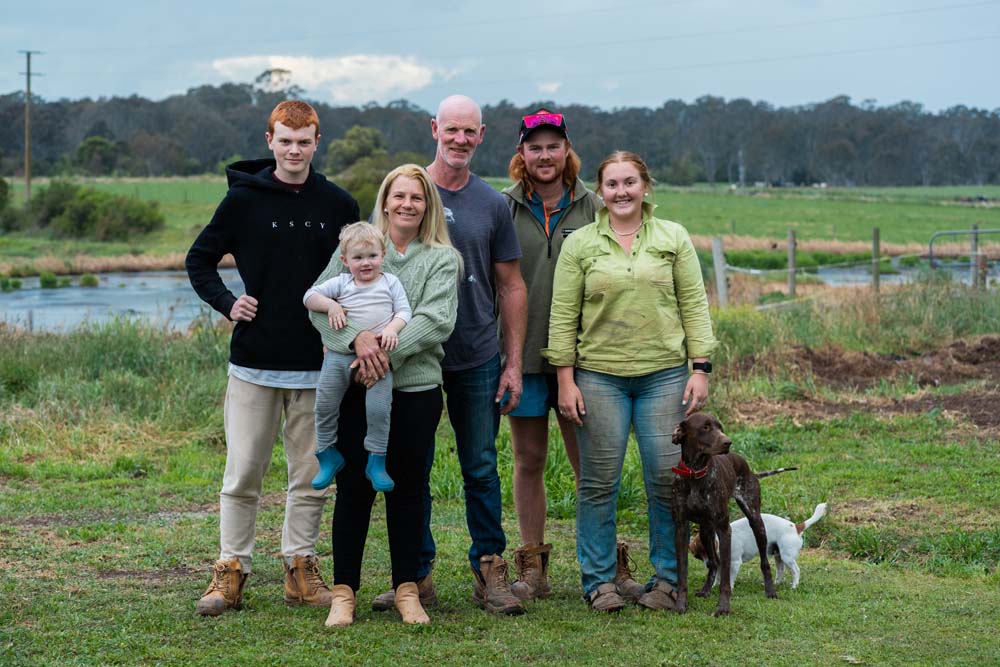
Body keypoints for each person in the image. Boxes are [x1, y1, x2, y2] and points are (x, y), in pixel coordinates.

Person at [186, 100, 360, 616]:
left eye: (303, 141)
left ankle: (300, 570)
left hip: (319, 362)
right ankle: (230, 572)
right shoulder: (242, 201)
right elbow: (199, 259)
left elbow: (360, 274)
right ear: (270, 142)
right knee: (242, 473)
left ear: (316, 142)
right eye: (285, 140)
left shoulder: (339, 203)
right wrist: (227, 302)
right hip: (254, 362)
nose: (294, 149)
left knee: (309, 475)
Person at [370, 94, 529, 616]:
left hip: (475, 355)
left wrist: (512, 361)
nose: (460, 140)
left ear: (482, 136)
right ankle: (415, 576)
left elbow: (510, 285)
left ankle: (490, 569)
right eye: (451, 130)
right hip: (411, 357)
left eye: (470, 132)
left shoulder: (493, 204)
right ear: (434, 128)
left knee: (480, 465)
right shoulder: (407, 193)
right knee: (409, 465)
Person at [542, 151, 718, 613]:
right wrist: (565, 378)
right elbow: (563, 315)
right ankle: (599, 582)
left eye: (630, 183)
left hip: (663, 376)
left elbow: (694, 304)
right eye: (612, 184)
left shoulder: (672, 237)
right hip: (599, 376)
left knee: (666, 479)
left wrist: (700, 368)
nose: (621, 192)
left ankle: (667, 579)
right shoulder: (580, 243)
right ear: (599, 191)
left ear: (645, 186)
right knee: (599, 482)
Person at [310, 164, 461, 626]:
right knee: (353, 487)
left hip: (415, 388)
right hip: (356, 387)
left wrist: (382, 356)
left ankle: (407, 588)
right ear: (385, 199)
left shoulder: (442, 259)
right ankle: (343, 592)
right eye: (399, 196)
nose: (407, 205)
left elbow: (436, 319)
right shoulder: (357, 246)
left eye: (417, 197)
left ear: (428, 205)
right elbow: (320, 307)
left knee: (408, 488)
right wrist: (358, 341)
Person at [500, 108, 601, 601]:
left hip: (584, 360)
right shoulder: (502, 208)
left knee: (591, 463)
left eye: (553, 146)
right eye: (534, 146)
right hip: (522, 355)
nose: (544, 155)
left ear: (567, 150)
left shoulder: (595, 207)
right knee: (528, 458)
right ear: (522, 153)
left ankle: (600, 561)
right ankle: (532, 561)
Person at [304, 222, 412, 493]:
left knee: (378, 409)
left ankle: (376, 460)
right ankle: (328, 453)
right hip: (340, 355)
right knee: (325, 402)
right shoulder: (341, 283)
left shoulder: (390, 282)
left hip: (378, 359)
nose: (366, 263)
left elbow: (404, 312)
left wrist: (392, 329)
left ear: (383, 256)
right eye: (358, 258)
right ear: (345, 260)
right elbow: (309, 296)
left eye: (372, 256)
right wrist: (330, 305)